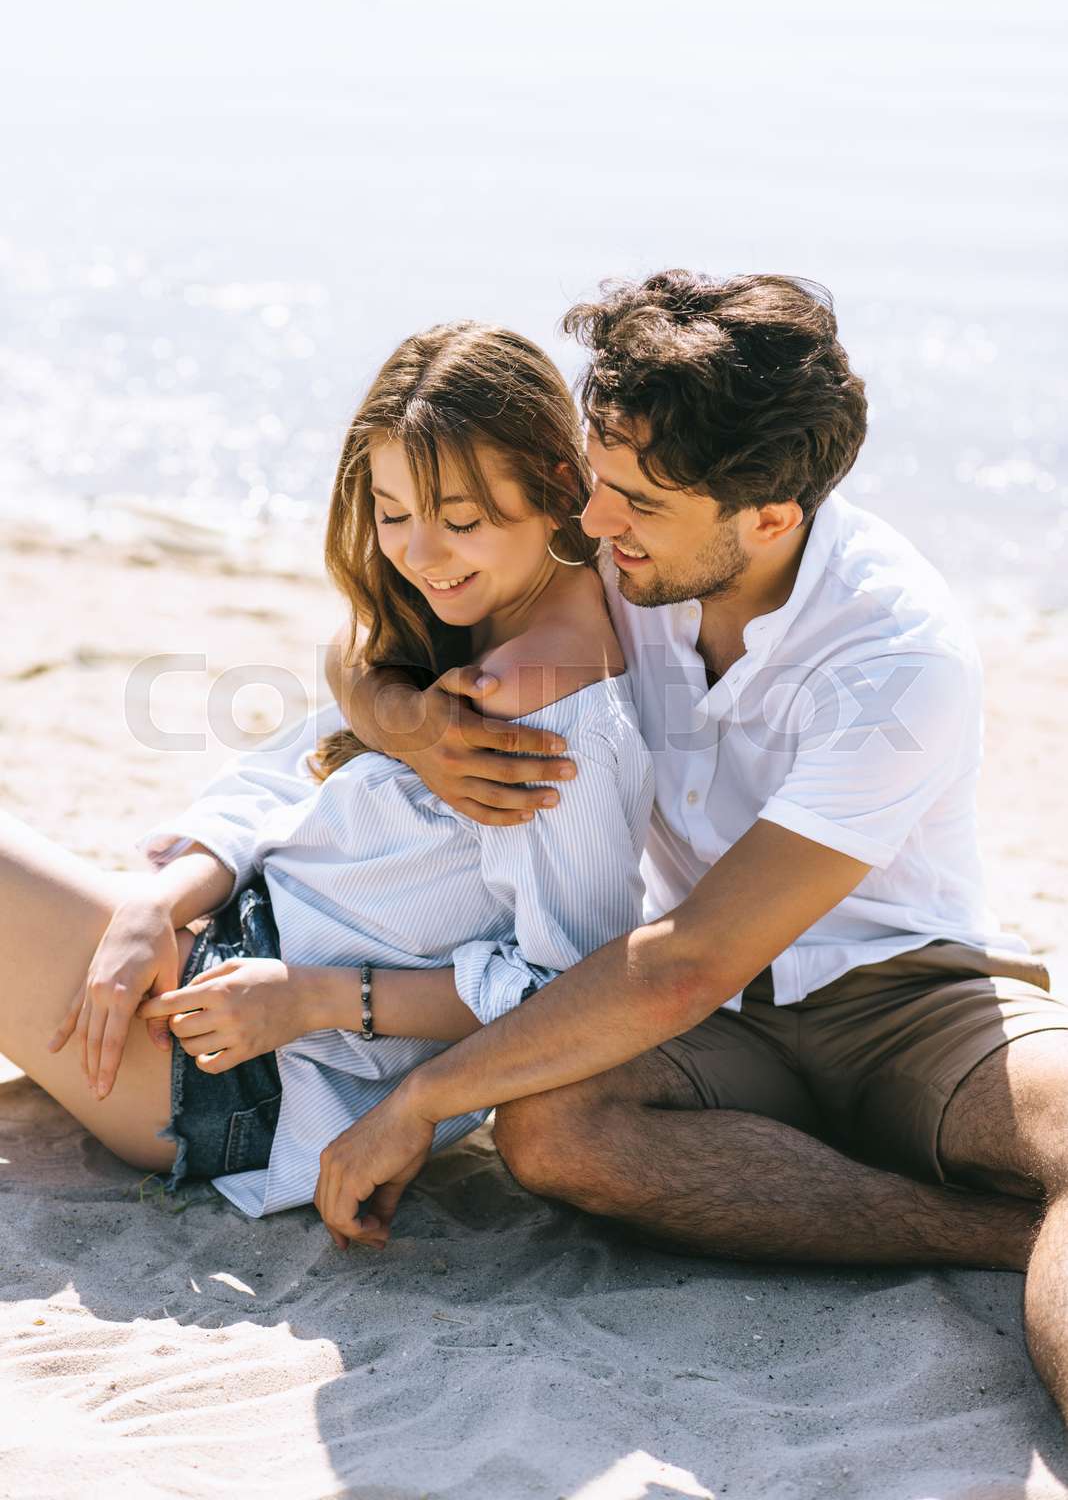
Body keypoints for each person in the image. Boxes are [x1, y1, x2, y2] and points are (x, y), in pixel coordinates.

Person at [322, 272, 1068, 1417]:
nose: (594, 521)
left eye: (636, 503)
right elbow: (357, 640)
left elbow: (687, 958)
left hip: (910, 999)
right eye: (601, 480)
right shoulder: (623, 560)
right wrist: (410, 725)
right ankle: (1000, 1236)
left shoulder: (896, 655)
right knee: (550, 1130)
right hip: (713, 1025)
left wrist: (421, 1100)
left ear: (770, 515)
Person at [0, 321, 652, 1222]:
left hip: (249, 1071)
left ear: (559, 487)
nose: (420, 556)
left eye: (460, 520)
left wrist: (313, 998)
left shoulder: (548, 724)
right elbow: (289, 778)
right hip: (223, 943)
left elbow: (569, 996)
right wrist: (165, 898)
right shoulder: (467, 627)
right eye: (392, 515)